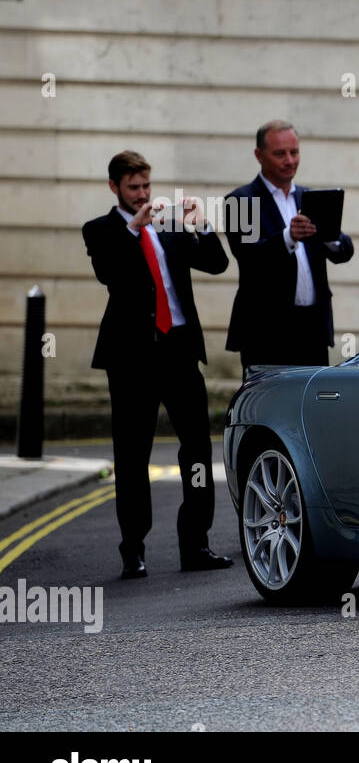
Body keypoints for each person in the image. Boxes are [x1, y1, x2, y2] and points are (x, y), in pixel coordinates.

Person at [82, 151, 233, 578]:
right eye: (134, 188)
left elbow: (217, 264)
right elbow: (110, 274)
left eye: (147, 186)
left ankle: (196, 542)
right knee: (132, 456)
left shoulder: (167, 225)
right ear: (115, 187)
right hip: (132, 359)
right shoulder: (102, 230)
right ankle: (133, 547)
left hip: (180, 351)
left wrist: (200, 224)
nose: (143, 195)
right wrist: (133, 229)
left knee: (199, 452)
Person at [224, 120, 354, 373]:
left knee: (313, 407)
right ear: (259, 156)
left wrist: (327, 235)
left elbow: (344, 251)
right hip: (265, 332)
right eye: (279, 153)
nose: (290, 160)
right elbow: (248, 257)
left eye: (294, 152)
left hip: (313, 329)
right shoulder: (241, 201)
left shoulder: (309, 197)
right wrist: (287, 237)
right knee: (266, 408)